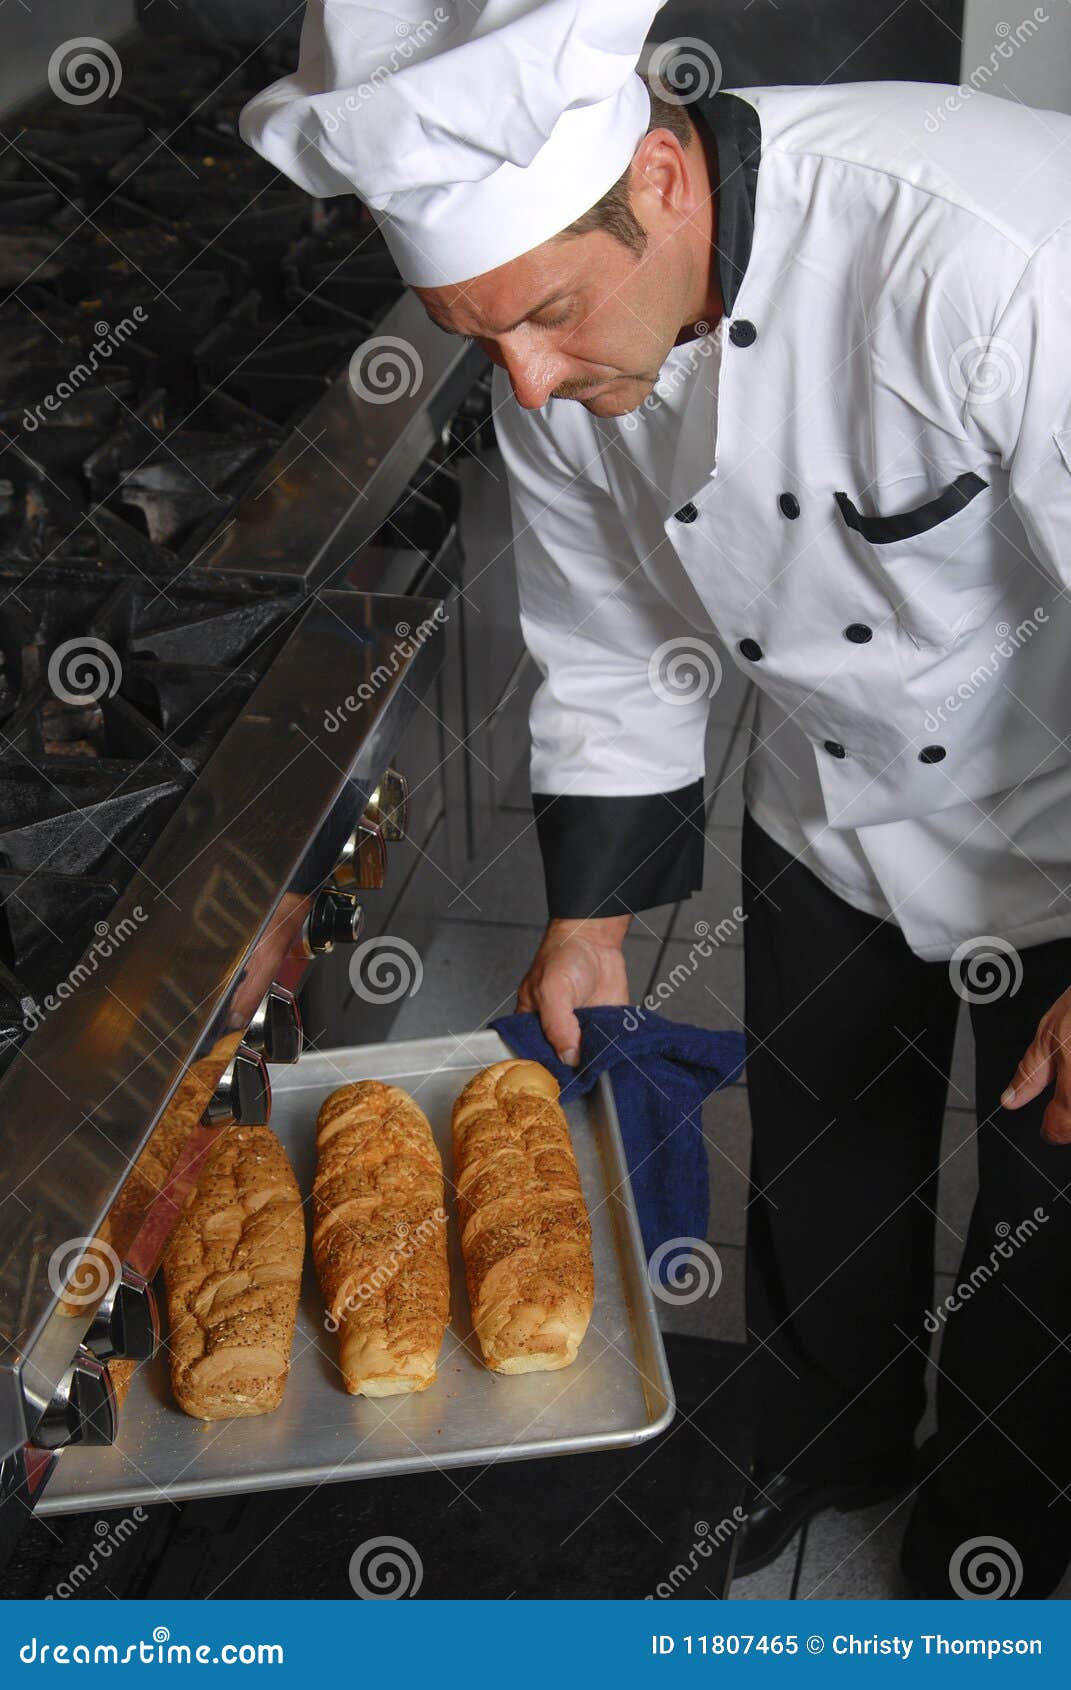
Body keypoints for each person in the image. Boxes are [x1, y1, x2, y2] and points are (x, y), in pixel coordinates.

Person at [242, 0, 1071, 1598]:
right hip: (828, 794)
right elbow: (611, 641)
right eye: (486, 337)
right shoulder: (547, 361)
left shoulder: (993, 259)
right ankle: (834, 1450)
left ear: (666, 178)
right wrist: (589, 920)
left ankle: (1000, 1544)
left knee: (1050, 1221)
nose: (531, 385)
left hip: (1056, 800)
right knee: (826, 1162)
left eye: (547, 314)